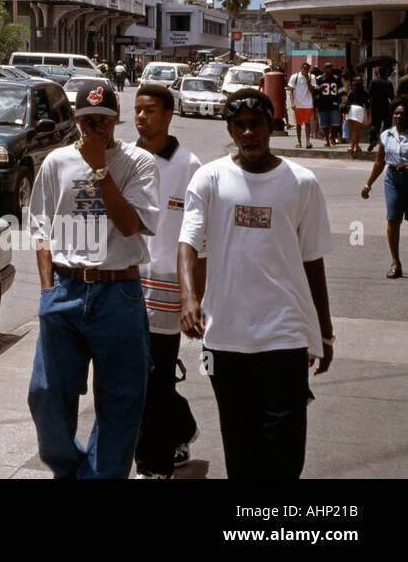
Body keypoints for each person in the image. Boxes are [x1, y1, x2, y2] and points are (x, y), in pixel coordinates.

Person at [178, 89, 334, 479]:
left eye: (256, 124)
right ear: (230, 129)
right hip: (225, 339)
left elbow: (313, 260)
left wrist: (325, 334)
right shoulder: (210, 178)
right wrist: (189, 298)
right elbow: (188, 243)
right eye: (239, 126)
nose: (248, 133)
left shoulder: (302, 182)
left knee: (284, 448)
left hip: (285, 335)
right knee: (240, 443)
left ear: (271, 125)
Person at [26, 82, 160, 479]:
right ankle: (72, 471)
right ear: (77, 122)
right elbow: (40, 228)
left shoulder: (138, 163)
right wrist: (47, 288)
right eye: (87, 121)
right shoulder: (56, 162)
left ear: (116, 122)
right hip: (65, 290)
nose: (95, 129)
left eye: (103, 121)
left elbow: (130, 224)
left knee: (120, 401)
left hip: (118, 291)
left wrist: (100, 168)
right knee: (47, 395)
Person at [132, 84, 202, 479]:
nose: (142, 117)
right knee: (135, 378)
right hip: (125, 286)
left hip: (168, 290)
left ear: (169, 115)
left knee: (157, 379)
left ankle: (153, 467)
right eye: (138, 110)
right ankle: (183, 426)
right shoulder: (122, 157)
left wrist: (198, 297)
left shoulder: (190, 166)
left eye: (151, 110)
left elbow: (196, 238)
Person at [361, 99, 408, 279]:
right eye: (396, 113)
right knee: (393, 220)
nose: (399, 116)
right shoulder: (386, 135)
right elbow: (380, 161)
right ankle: (395, 262)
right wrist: (368, 184)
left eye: (403, 113)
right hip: (393, 178)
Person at [286, 61, 315, 149]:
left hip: (308, 104)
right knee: (298, 124)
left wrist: (307, 80)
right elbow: (291, 91)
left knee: (307, 123)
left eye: (307, 69)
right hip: (298, 104)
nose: (305, 70)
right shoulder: (295, 77)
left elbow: (312, 90)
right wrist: (292, 103)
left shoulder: (311, 77)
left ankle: (308, 142)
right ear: (301, 68)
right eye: (304, 69)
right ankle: (299, 142)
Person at [368, 66, 396, 153]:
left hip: (375, 106)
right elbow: (392, 97)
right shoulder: (388, 83)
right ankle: (384, 140)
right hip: (385, 106)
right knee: (387, 124)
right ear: (386, 72)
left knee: (375, 124)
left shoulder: (373, 82)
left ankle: (373, 139)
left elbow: (370, 94)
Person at [313, 64, 341, 147]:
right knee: (324, 124)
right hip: (322, 104)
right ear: (324, 69)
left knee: (335, 123)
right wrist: (319, 89)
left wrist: (340, 100)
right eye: (328, 68)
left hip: (334, 104)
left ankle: (332, 136)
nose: (330, 70)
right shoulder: (319, 79)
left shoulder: (336, 79)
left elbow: (341, 91)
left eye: (331, 68)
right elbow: (314, 91)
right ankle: (327, 140)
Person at [346, 75, 369, 155]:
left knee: (356, 130)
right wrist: (368, 117)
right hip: (359, 109)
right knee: (356, 130)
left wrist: (344, 114)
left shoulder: (351, 91)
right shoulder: (365, 93)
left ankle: (357, 146)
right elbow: (367, 106)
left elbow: (347, 102)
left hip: (350, 109)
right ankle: (352, 147)